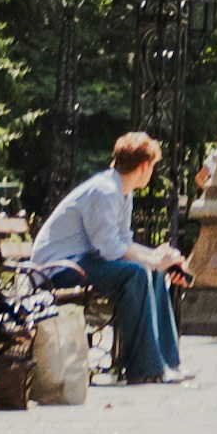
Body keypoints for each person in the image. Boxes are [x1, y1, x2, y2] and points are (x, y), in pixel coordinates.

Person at [28, 131, 189, 383]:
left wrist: (158, 257)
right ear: (143, 166)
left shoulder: (122, 191)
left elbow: (122, 242)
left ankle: (166, 362)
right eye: (153, 167)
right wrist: (153, 259)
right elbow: (109, 249)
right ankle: (146, 369)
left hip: (83, 259)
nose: (152, 172)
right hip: (57, 267)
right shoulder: (105, 191)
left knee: (153, 272)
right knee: (136, 273)